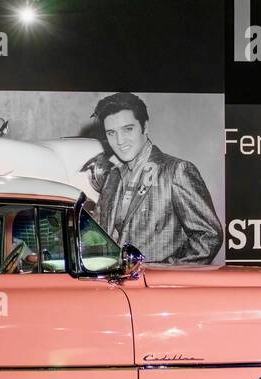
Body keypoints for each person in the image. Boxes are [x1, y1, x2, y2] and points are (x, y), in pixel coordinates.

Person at [84, 92, 223, 265]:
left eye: (128, 129)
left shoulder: (177, 170)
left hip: (157, 289)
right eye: (111, 133)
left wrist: (166, 274)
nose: (120, 141)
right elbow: (98, 237)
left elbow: (208, 236)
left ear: (145, 127)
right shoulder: (112, 177)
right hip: (117, 288)